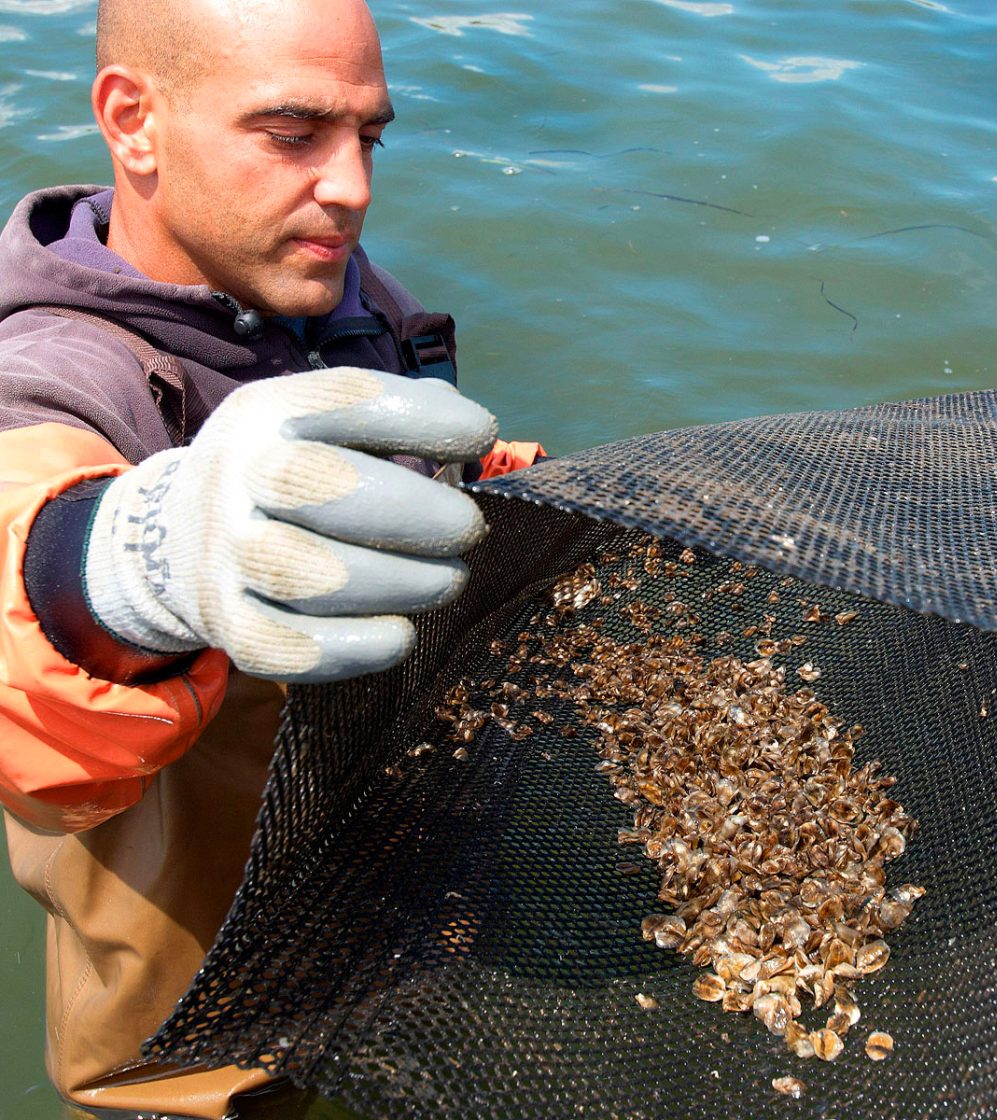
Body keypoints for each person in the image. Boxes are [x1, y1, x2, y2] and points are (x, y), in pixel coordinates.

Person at [0, 1, 543, 1116]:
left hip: (372, 856)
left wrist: (490, 487)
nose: (351, 186)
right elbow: (27, 569)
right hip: (197, 988)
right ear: (133, 120)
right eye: (294, 134)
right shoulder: (56, 369)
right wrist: (140, 560)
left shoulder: (336, 288)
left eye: (368, 137)